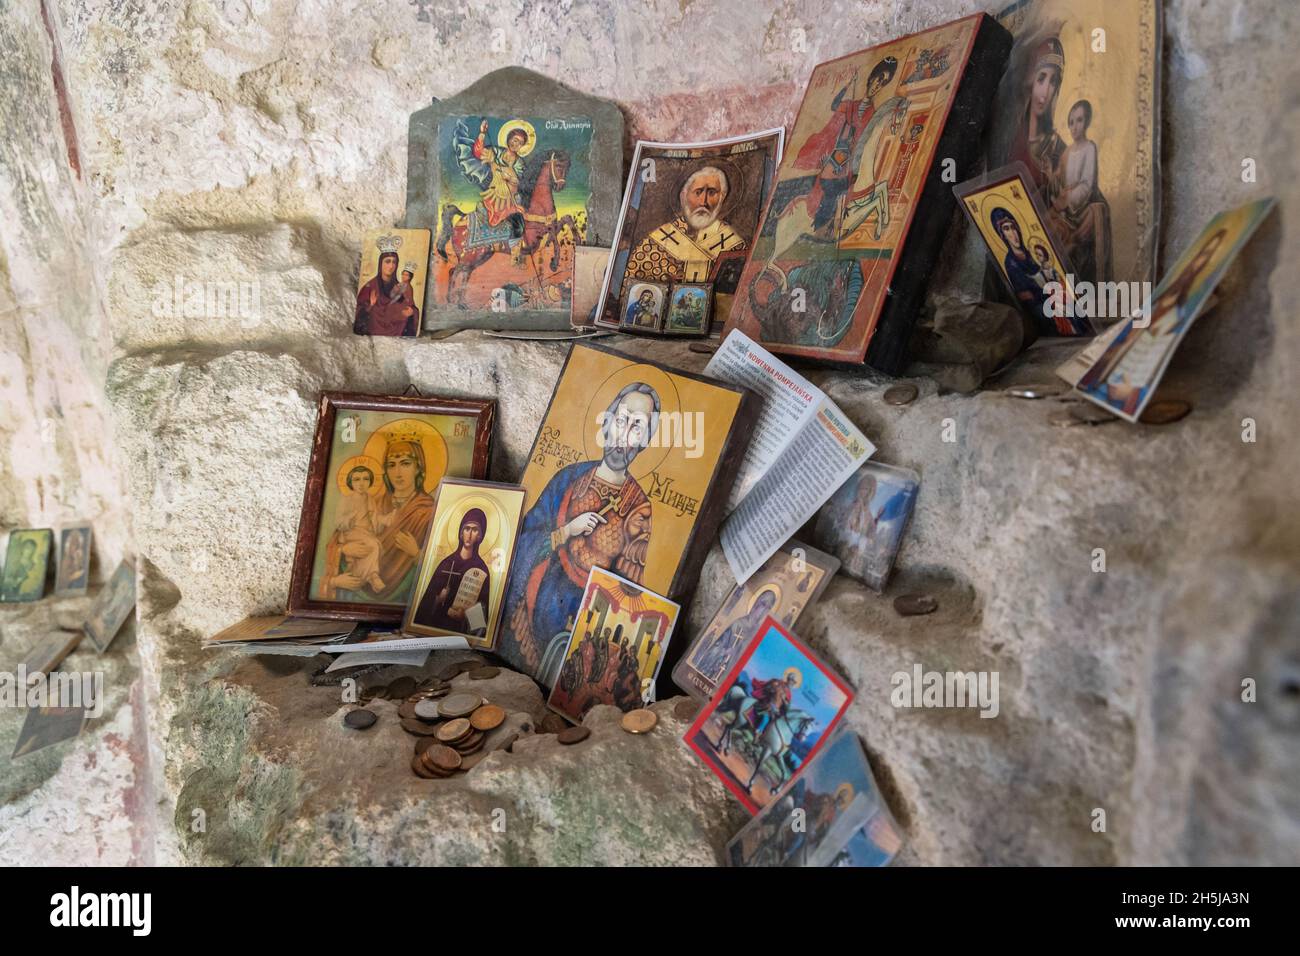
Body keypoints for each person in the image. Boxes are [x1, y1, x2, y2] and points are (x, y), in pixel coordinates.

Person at [500, 384, 658, 673]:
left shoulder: (638, 507)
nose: (624, 434)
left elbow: (626, 589)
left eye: (637, 426)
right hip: (533, 601)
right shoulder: (568, 479)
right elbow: (524, 538)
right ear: (607, 423)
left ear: (645, 440)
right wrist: (568, 530)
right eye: (622, 420)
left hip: (581, 620)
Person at [321, 436, 433, 603]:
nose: (398, 473)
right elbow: (335, 541)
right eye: (391, 465)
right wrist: (344, 549)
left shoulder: (428, 511)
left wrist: (416, 554)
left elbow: (443, 564)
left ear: (418, 468)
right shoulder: (374, 502)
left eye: (405, 463)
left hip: (403, 598)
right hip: (354, 588)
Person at [626, 166, 747, 282]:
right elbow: (632, 283)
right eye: (698, 192)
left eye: (711, 192)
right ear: (684, 196)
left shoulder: (733, 244)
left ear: (722, 198)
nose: (703, 202)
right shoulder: (658, 241)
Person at [1049, 99, 1112, 284]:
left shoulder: (1089, 147)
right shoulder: (1067, 152)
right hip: (1065, 206)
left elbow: (1087, 184)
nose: (1074, 127)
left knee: (1092, 217)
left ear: (1087, 122)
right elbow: (1058, 176)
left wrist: (1068, 199)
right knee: (1048, 224)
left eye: (1079, 120)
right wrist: (1050, 174)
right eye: (1071, 122)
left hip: (1083, 205)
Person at [413, 507, 490, 635]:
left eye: (475, 529)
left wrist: (468, 614)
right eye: (467, 529)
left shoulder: (482, 569)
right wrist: (438, 599)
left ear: (480, 536)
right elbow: (426, 603)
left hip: (461, 632)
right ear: (461, 533)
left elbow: (483, 611)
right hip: (435, 627)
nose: (470, 534)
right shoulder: (446, 564)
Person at [1008, 37, 1067, 199]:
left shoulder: (1057, 148)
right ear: (1030, 81)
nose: (1046, 92)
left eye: (1053, 81)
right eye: (1041, 78)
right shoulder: (1010, 130)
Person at [332, 465, 389, 593]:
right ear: (350, 482)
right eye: (357, 479)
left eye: (365, 479)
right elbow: (339, 522)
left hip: (367, 533)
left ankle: (361, 576)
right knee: (373, 545)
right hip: (351, 532)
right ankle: (372, 575)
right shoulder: (346, 500)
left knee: (373, 546)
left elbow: (375, 519)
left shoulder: (371, 500)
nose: (361, 483)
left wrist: (384, 520)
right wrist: (350, 518)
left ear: (370, 482)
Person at [354, 249, 420, 336]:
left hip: (398, 333)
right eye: (387, 262)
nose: (391, 266)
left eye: (394, 262)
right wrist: (370, 306)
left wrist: (411, 312)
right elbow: (359, 312)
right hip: (374, 333)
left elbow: (410, 306)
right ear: (380, 264)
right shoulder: (370, 287)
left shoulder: (401, 287)